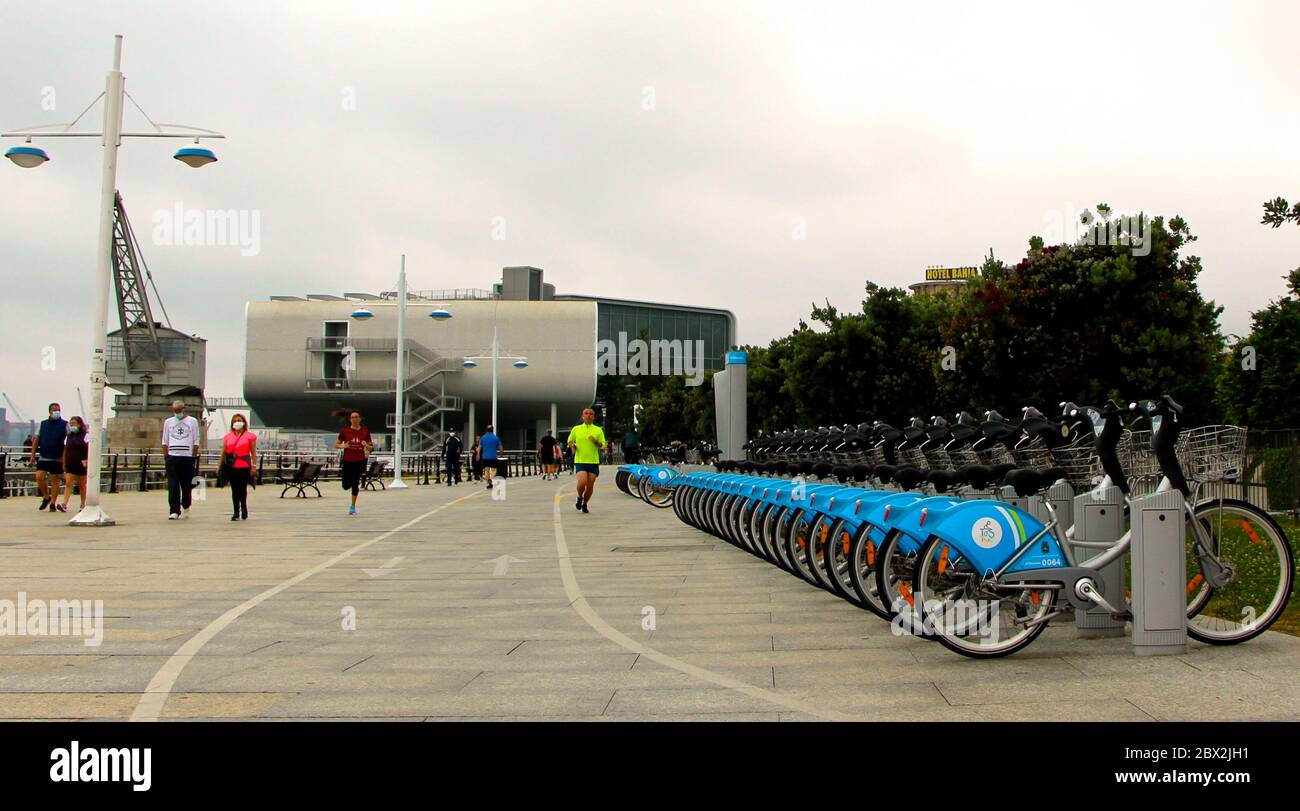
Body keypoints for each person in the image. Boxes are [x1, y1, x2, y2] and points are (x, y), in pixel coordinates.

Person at [161, 399, 200, 520]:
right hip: (172, 457)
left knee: (186, 485)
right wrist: (166, 456)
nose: (177, 413)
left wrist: (193, 456)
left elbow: (196, 440)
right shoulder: (168, 422)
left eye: (179, 410)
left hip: (187, 457)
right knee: (173, 485)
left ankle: (186, 506)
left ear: (183, 409)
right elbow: (165, 440)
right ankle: (174, 510)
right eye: (175, 411)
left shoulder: (192, 421)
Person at [567, 407, 606, 514]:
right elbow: (570, 440)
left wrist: (595, 442)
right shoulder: (576, 429)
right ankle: (579, 497)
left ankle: (585, 503)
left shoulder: (598, 430)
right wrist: (573, 446)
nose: (588, 415)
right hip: (580, 460)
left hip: (593, 461)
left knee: (590, 485)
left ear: (593, 417)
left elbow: (603, 445)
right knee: (582, 481)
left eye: (591, 414)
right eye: (586, 413)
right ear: (582, 416)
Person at [30, 403, 66, 512]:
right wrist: (32, 455)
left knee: (55, 480)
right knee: (39, 476)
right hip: (44, 455)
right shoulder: (43, 424)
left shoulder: (65, 424)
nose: (57, 412)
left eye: (58, 410)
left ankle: (53, 503)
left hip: (57, 457)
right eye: (54, 410)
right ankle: (46, 496)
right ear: (49, 411)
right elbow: (36, 439)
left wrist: (65, 459)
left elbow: (68, 442)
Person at [335, 411, 372, 515]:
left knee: (355, 483)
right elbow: (336, 444)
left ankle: (352, 506)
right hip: (347, 461)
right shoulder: (345, 431)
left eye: (356, 417)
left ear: (360, 419)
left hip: (359, 461)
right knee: (346, 485)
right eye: (352, 417)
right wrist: (343, 446)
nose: (354, 419)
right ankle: (349, 484)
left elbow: (371, 448)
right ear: (350, 419)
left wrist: (366, 445)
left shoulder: (365, 432)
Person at [222, 413, 258, 521]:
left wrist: (254, 466)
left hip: (244, 466)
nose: (237, 422)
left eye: (239, 420)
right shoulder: (228, 436)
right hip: (232, 466)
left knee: (242, 489)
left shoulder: (250, 436)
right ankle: (236, 511)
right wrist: (220, 466)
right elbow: (224, 452)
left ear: (243, 423)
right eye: (235, 420)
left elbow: (253, 452)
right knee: (234, 490)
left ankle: (244, 509)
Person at [60, 415, 89, 514]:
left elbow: (90, 449)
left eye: (74, 424)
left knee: (82, 485)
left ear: (79, 424)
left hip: (81, 463)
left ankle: (83, 504)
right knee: (68, 483)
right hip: (70, 462)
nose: (72, 426)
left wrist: (88, 460)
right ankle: (64, 504)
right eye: (70, 424)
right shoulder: (68, 436)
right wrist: (64, 462)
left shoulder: (85, 435)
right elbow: (65, 450)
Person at [479, 424, 501, 490]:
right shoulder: (495, 438)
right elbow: (500, 447)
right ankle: (491, 479)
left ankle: (488, 482)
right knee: (494, 470)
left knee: (486, 470)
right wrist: (501, 454)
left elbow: (479, 447)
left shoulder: (483, 437)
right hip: (493, 457)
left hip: (485, 457)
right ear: (492, 430)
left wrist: (477, 454)